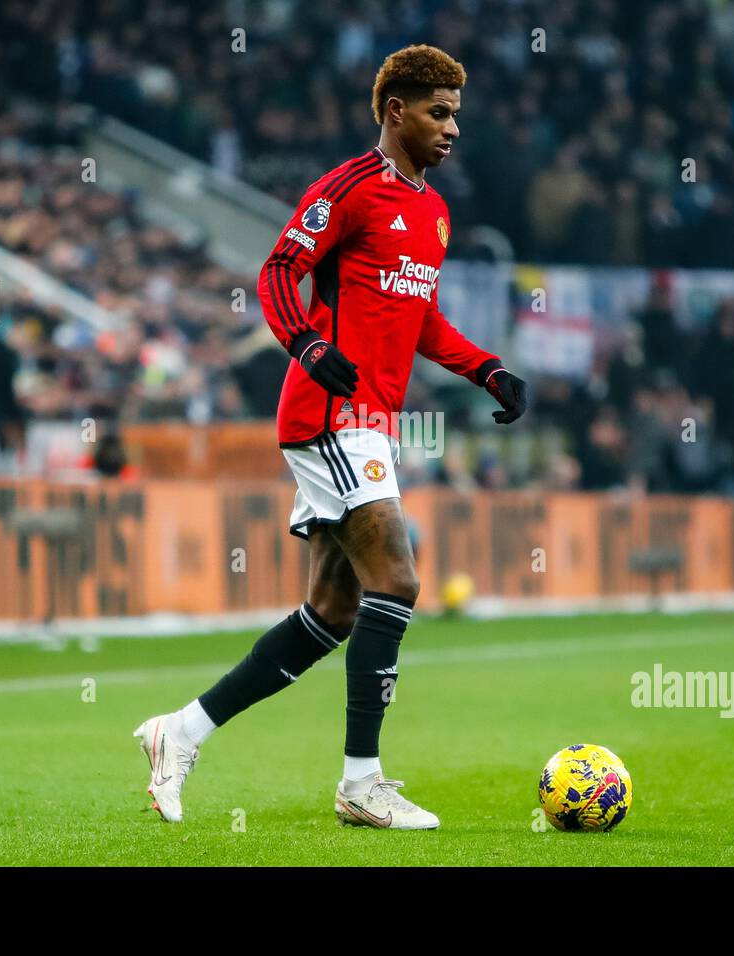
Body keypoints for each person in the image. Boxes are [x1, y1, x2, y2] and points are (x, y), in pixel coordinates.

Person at [133, 45, 527, 829]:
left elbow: (422, 320)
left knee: (333, 611)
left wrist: (486, 369)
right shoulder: (349, 188)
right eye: (438, 112)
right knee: (399, 581)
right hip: (328, 413)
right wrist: (309, 346)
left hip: (371, 420)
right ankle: (361, 782)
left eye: (456, 114)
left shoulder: (435, 213)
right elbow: (279, 270)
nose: (452, 129)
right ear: (395, 111)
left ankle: (180, 732)